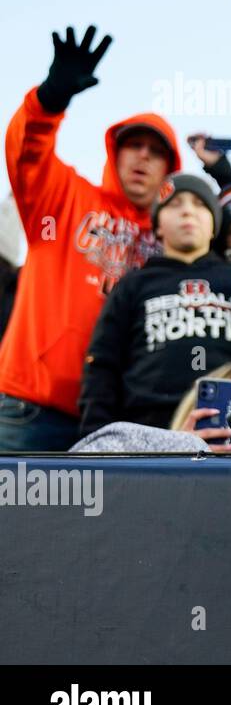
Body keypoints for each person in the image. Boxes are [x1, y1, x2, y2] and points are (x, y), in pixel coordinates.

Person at [0, 26, 180, 450]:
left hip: (119, 422)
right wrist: (50, 99)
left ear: (169, 169)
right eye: (133, 145)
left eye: (156, 152)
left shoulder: (175, 233)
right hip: (30, 409)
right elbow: (27, 152)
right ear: (113, 153)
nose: (142, 157)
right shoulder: (65, 196)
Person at [77, 174, 231, 436]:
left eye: (200, 204)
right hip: (148, 433)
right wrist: (97, 437)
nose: (188, 211)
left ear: (214, 225)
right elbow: (102, 364)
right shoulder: (133, 284)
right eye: (175, 204)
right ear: (157, 226)